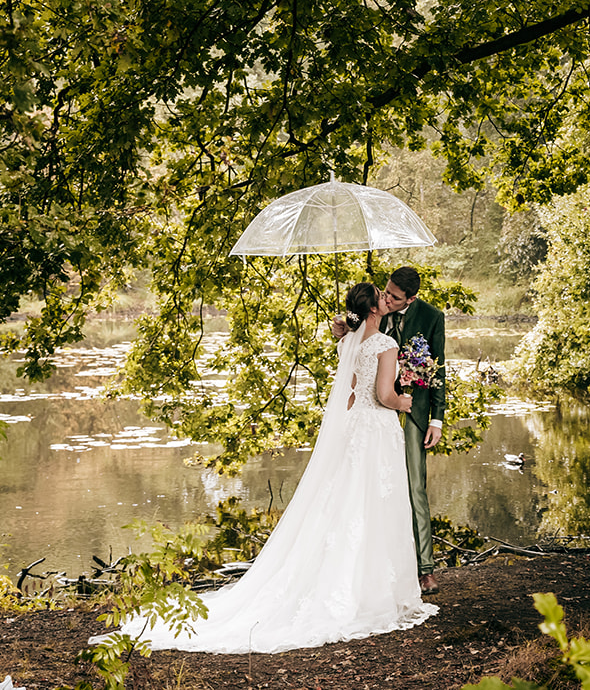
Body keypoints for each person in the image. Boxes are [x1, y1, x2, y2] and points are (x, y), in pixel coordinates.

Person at [98, 282, 437, 653]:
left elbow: (354, 392)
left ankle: (345, 581)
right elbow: (383, 396)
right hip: (374, 432)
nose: (387, 300)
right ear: (373, 308)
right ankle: (371, 590)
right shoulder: (384, 345)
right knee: (372, 505)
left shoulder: (348, 343)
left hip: (354, 427)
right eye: (382, 296)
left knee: (345, 503)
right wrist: (405, 402)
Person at [382, 266, 447, 595]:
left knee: (415, 488)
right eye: (387, 291)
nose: (388, 298)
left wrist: (437, 418)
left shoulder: (432, 317)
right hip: (379, 408)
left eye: (395, 296)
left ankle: (425, 569)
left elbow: (438, 370)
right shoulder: (375, 309)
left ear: (412, 298)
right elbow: (351, 329)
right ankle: (383, 566)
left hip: (415, 411)